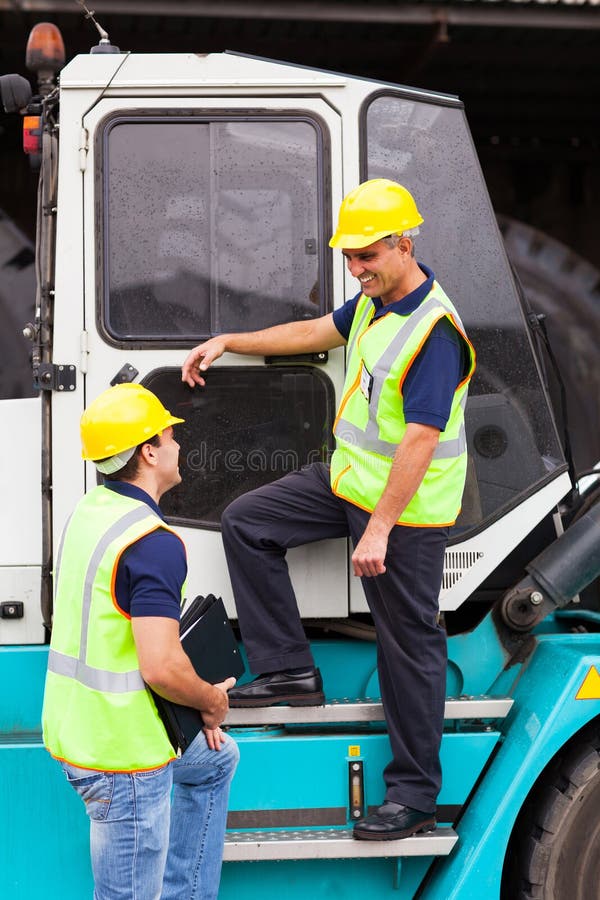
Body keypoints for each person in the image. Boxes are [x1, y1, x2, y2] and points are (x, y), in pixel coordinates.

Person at [181, 178, 475, 841]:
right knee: (248, 523)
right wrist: (233, 340)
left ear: (404, 244)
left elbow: (421, 442)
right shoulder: (377, 301)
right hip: (350, 482)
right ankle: (288, 667)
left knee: (408, 653)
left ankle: (414, 799)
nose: (356, 269)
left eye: (366, 256)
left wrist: (378, 529)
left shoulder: (435, 332)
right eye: (349, 257)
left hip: (406, 514)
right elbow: (320, 329)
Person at [42, 383, 239, 899]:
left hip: (78, 730)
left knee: (217, 760)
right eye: (171, 434)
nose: (178, 444)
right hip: (122, 759)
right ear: (149, 451)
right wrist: (211, 701)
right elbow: (160, 668)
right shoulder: (152, 544)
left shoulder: (90, 511)